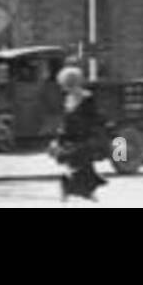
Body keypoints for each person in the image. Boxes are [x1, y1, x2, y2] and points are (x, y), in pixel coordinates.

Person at [51, 65, 108, 202]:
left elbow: (66, 122)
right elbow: (93, 117)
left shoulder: (69, 99)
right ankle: (70, 186)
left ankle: (83, 190)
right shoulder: (86, 97)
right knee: (84, 165)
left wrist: (60, 139)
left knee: (84, 166)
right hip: (83, 137)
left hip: (74, 137)